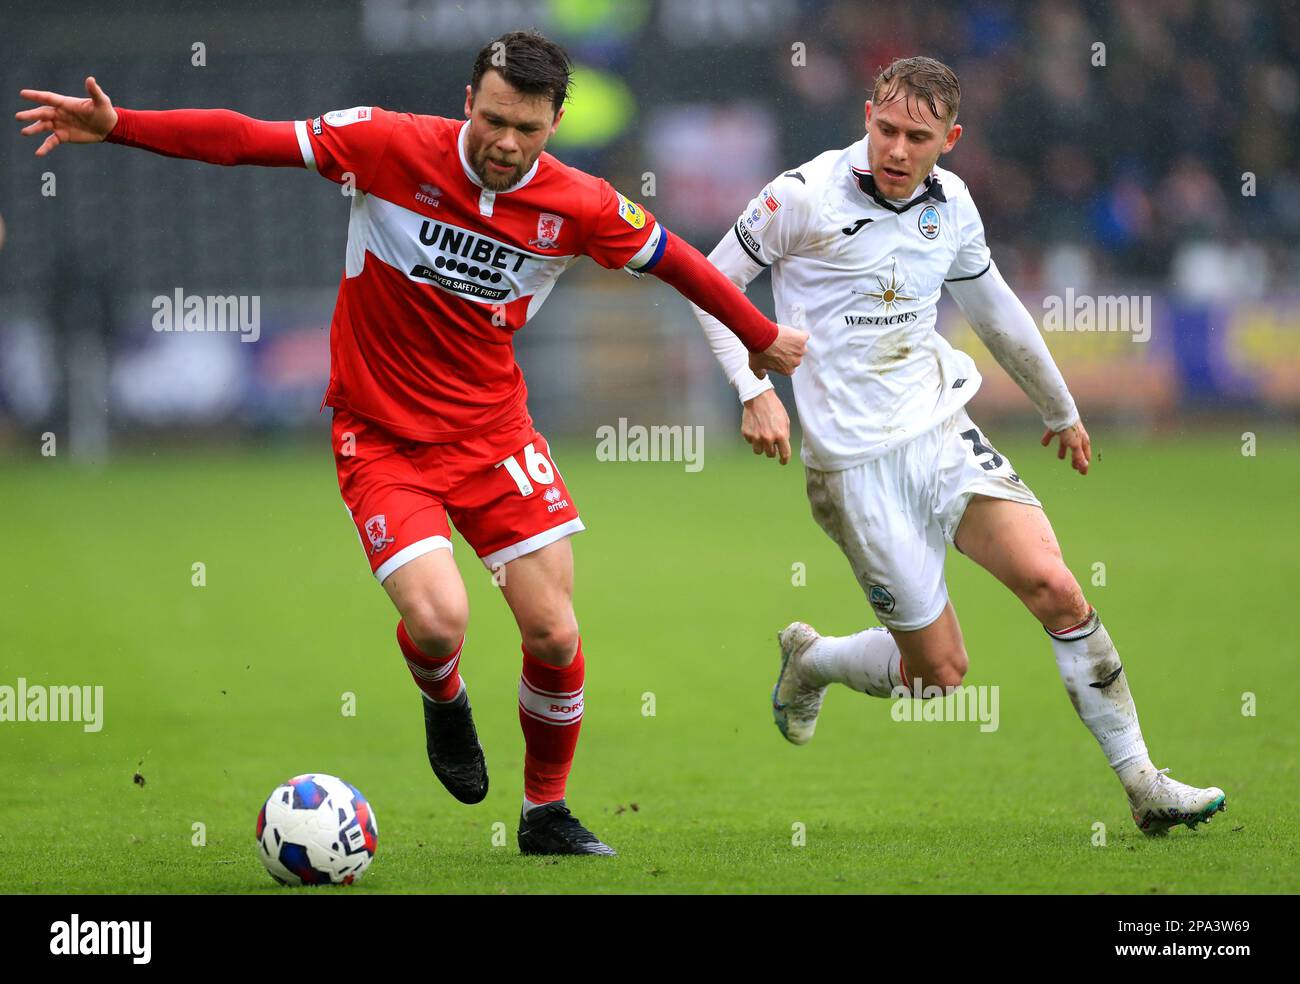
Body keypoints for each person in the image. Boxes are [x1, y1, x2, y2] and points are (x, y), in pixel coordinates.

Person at [17, 30, 808, 860]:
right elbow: (246, 139)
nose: (506, 143)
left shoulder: (579, 203)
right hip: (382, 435)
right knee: (439, 619)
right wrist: (121, 125)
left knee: (554, 633)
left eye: (528, 129)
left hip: (495, 436)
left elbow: (677, 259)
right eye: (494, 119)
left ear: (556, 122)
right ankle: (444, 695)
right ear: (468, 100)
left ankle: (545, 813)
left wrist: (760, 339)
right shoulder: (389, 146)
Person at [691, 56, 1224, 836]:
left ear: (951, 138)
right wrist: (754, 389)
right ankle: (814, 660)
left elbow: (995, 309)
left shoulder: (955, 204)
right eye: (885, 128)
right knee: (939, 675)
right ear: (867, 114)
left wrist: (1061, 407)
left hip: (941, 432)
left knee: (1058, 588)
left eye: (917, 136)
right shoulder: (800, 196)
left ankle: (1143, 782)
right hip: (853, 469)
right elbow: (711, 281)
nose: (896, 149)